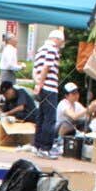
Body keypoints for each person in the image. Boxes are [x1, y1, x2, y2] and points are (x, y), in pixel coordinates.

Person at [32, 28, 64, 158]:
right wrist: (42, 84)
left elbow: (35, 71)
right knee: (50, 119)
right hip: (50, 87)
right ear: (57, 40)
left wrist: (38, 84)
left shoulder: (40, 50)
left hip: (42, 87)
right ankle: (46, 148)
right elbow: (47, 66)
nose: (62, 44)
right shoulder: (52, 49)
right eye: (62, 41)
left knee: (41, 117)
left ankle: (37, 145)